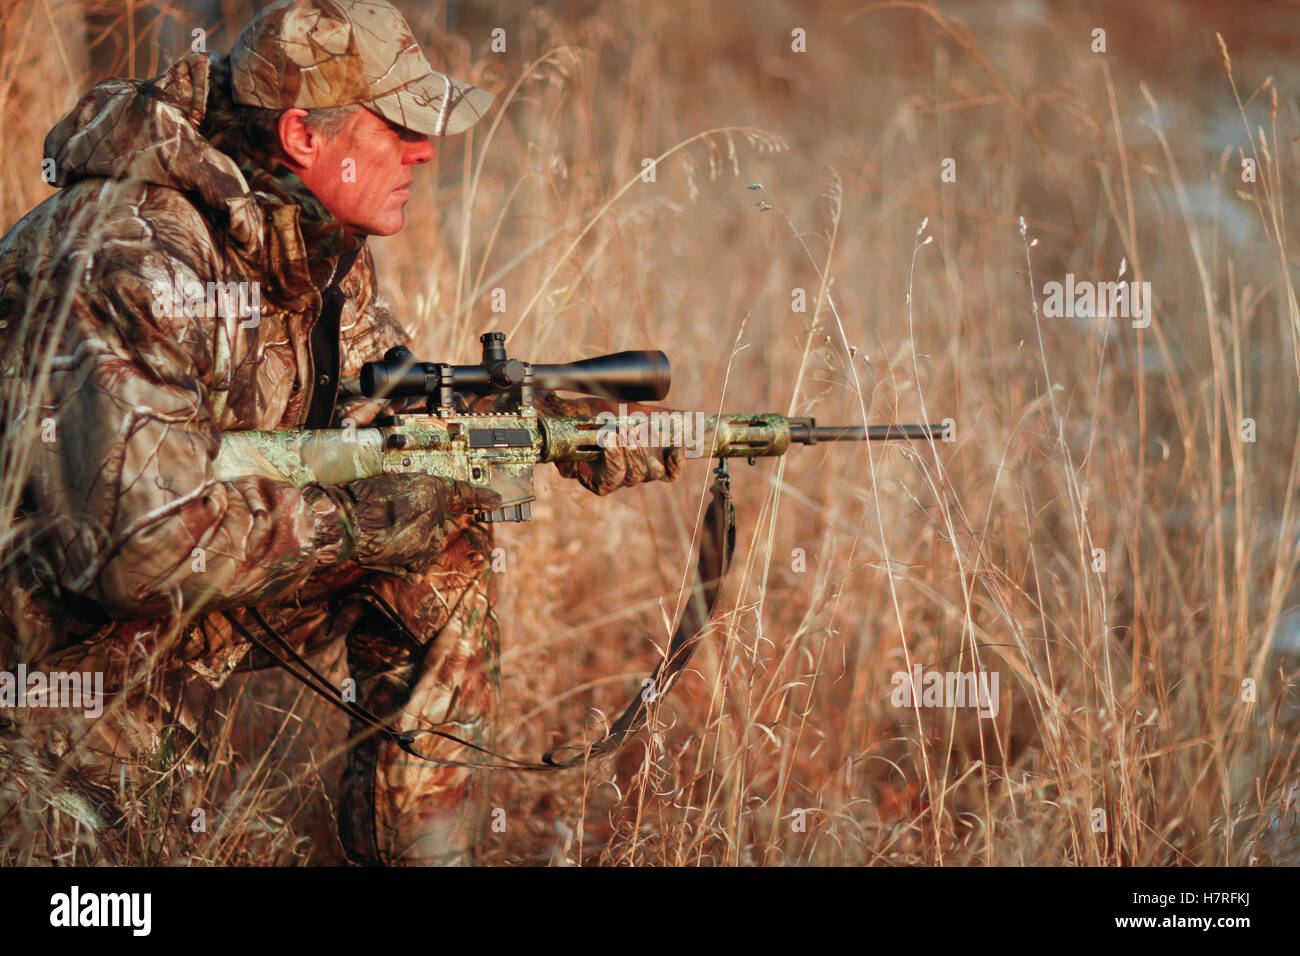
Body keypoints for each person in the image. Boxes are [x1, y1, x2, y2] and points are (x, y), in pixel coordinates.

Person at [0, 0, 680, 866]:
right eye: (396, 127)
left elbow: (378, 427)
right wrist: (363, 521)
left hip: (155, 603)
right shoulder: (132, 257)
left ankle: (422, 856)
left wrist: (547, 425)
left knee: (442, 536)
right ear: (303, 137)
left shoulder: (311, 245)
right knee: (101, 882)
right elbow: (144, 549)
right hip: (50, 640)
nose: (424, 151)